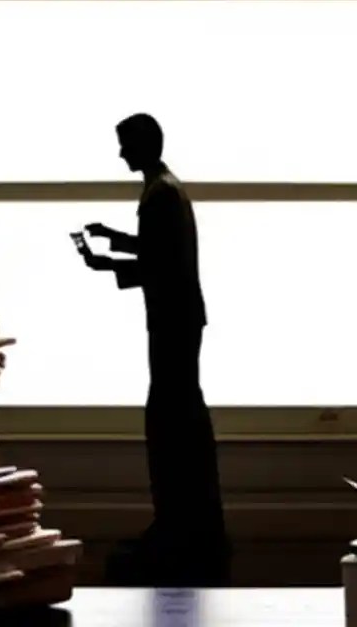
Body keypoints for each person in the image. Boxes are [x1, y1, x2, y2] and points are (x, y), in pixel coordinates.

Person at [79, 112, 229, 586]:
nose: (120, 153)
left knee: (169, 418)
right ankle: (181, 520)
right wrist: (112, 239)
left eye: (125, 144)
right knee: (175, 415)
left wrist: (105, 264)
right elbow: (155, 250)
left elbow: (161, 264)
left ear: (143, 145)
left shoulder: (161, 193)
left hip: (173, 320)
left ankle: (178, 522)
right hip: (177, 318)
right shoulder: (164, 188)